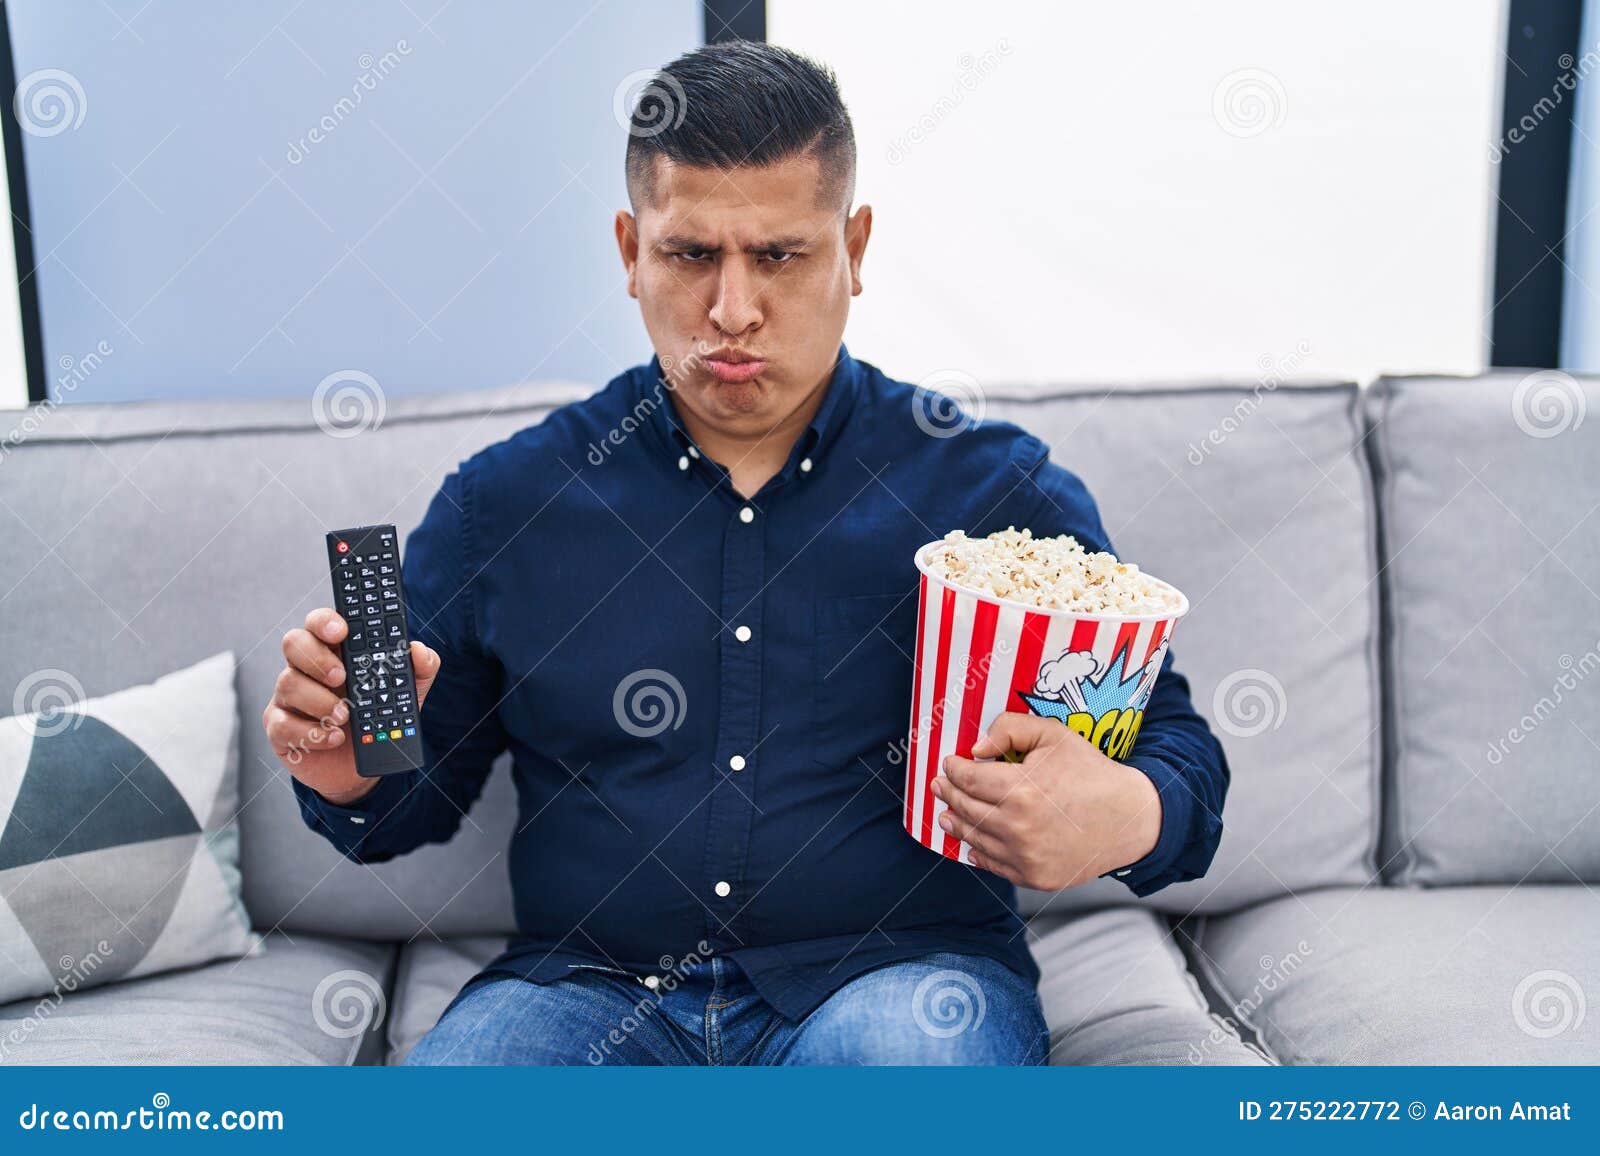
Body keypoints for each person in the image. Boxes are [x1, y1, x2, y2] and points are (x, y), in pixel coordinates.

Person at [262, 41, 1228, 1066]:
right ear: (629, 250)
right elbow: (406, 803)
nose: (732, 310)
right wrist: (345, 771)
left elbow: (1175, 753)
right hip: (582, 990)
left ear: (853, 245)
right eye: (689, 256)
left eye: (779, 255)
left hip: (895, 981)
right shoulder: (507, 501)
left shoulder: (991, 493)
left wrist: (1120, 810)